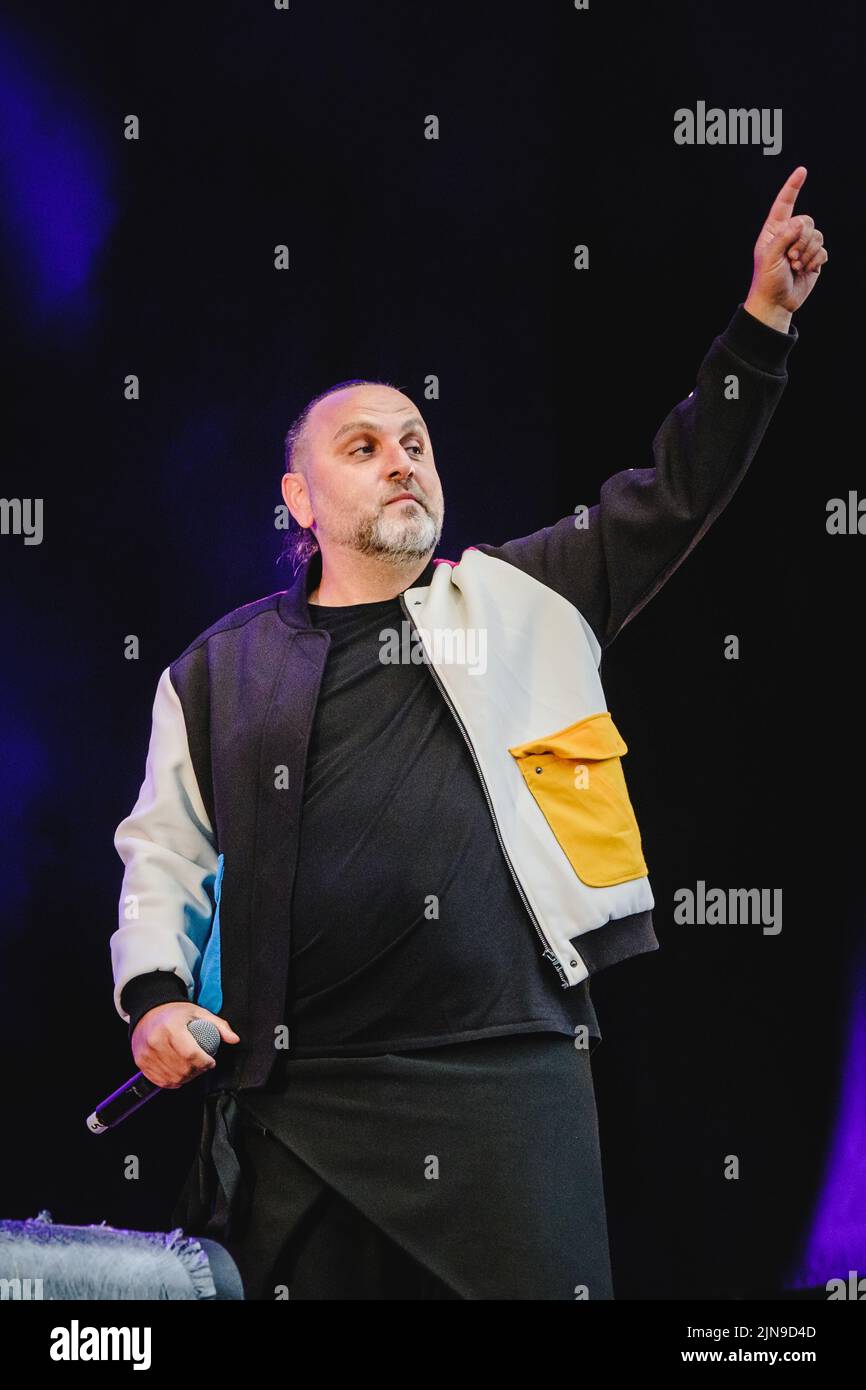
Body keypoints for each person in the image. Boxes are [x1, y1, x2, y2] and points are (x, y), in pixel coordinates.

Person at [110, 167, 825, 1299]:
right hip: (298, 1097)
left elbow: (677, 488)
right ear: (297, 498)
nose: (402, 458)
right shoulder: (214, 671)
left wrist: (762, 324)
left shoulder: (519, 597)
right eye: (362, 447)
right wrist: (152, 995)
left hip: (503, 1076)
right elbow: (165, 853)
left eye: (416, 439)